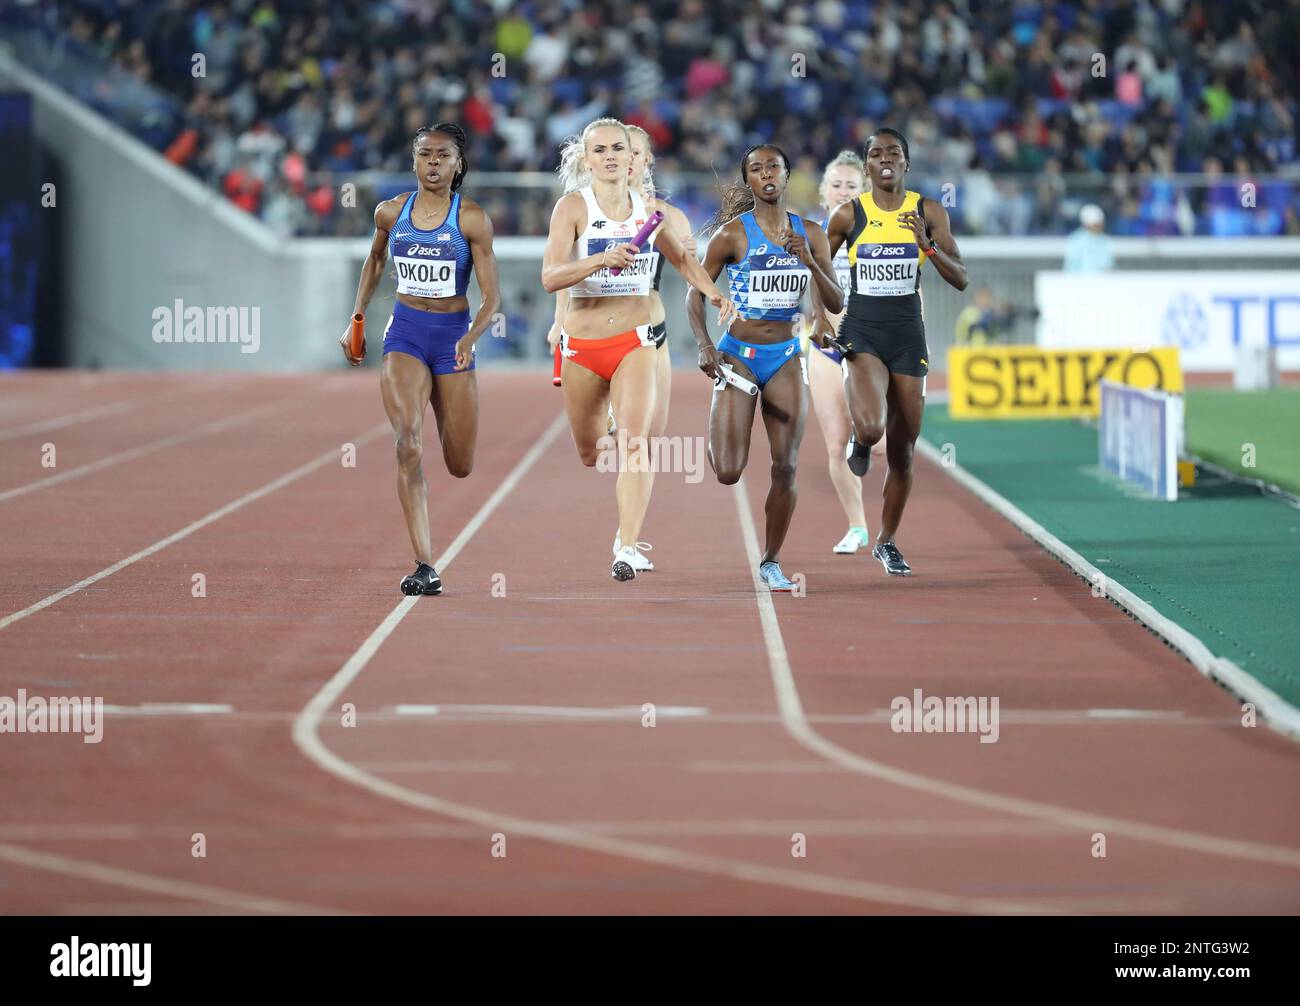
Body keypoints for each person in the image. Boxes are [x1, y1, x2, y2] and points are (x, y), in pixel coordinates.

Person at [541, 118, 735, 581]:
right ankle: (619, 507)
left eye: (618, 149)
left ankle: (626, 547)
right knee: (591, 453)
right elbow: (551, 276)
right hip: (583, 343)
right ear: (586, 160)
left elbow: (684, 260)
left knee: (636, 443)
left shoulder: (652, 212)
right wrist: (598, 259)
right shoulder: (572, 208)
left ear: (634, 159)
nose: (610, 157)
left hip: (638, 340)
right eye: (600, 150)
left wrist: (713, 292)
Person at [340, 122, 501, 596]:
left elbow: (492, 298)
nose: (433, 163)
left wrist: (471, 337)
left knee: (460, 463)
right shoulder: (391, 213)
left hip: (453, 337)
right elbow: (375, 261)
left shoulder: (471, 218)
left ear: (457, 165)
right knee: (407, 442)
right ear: (413, 162)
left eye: (443, 156)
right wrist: (356, 316)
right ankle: (424, 565)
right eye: (425, 155)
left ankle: (428, 552)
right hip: (405, 333)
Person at [688, 144, 843, 591]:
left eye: (772, 166)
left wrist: (810, 261)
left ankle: (771, 559)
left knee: (786, 466)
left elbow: (834, 301)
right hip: (738, 355)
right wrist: (704, 345)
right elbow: (694, 292)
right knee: (728, 471)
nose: (765, 173)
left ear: (787, 174)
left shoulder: (810, 233)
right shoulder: (733, 236)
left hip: (786, 358)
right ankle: (722, 423)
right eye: (755, 169)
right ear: (749, 181)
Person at [824, 127, 968, 575]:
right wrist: (815, 320)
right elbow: (818, 270)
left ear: (906, 162)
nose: (885, 159)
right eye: (876, 153)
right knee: (871, 427)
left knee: (904, 452)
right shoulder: (848, 215)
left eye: (894, 152)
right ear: (867, 167)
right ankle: (861, 439)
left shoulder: (928, 210)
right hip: (862, 330)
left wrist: (926, 244)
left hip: (908, 334)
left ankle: (886, 541)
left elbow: (960, 277)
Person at [804, 150, 879, 556]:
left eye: (852, 185)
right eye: (836, 185)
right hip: (825, 346)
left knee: (879, 435)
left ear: (864, 190)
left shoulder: (879, 230)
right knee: (835, 444)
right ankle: (857, 526)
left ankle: (867, 444)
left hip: (872, 345)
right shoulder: (809, 231)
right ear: (824, 190)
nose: (843, 191)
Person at [1063, 203, 1115, 272]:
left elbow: (1109, 266)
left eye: (1099, 224)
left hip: (1102, 282)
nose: (1098, 227)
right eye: (1095, 225)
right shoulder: (1075, 240)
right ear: (1085, 224)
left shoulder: (1106, 241)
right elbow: (1070, 268)